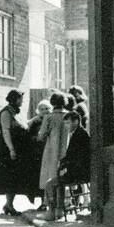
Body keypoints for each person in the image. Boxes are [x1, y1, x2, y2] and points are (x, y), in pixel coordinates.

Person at [0, 89, 29, 217]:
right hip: (7, 148)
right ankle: (9, 205)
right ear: (15, 99)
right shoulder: (6, 113)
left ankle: (9, 204)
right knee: (9, 177)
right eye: (20, 99)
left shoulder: (14, 112)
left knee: (13, 177)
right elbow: (6, 131)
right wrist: (11, 149)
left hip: (14, 147)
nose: (22, 102)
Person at [38, 92, 69, 220]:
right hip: (66, 151)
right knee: (61, 179)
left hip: (51, 151)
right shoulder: (69, 115)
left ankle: (51, 211)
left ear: (52, 103)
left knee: (50, 179)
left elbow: (42, 136)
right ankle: (60, 209)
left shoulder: (49, 117)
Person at [26, 99, 52, 210]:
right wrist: (36, 139)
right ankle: (41, 200)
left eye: (47, 108)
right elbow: (29, 135)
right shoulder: (35, 122)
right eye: (42, 109)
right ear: (38, 111)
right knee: (38, 177)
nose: (45, 111)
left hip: (48, 151)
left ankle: (45, 202)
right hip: (37, 153)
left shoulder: (51, 120)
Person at [58, 110, 91, 190]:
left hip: (80, 172)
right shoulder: (77, 133)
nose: (66, 126)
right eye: (65, 123)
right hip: (77, 169)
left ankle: (56, 202)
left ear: (76, 121)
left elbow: (78, 157)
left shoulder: (80, 135)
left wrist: (63, 165)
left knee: (51, 184)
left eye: (68, 123)